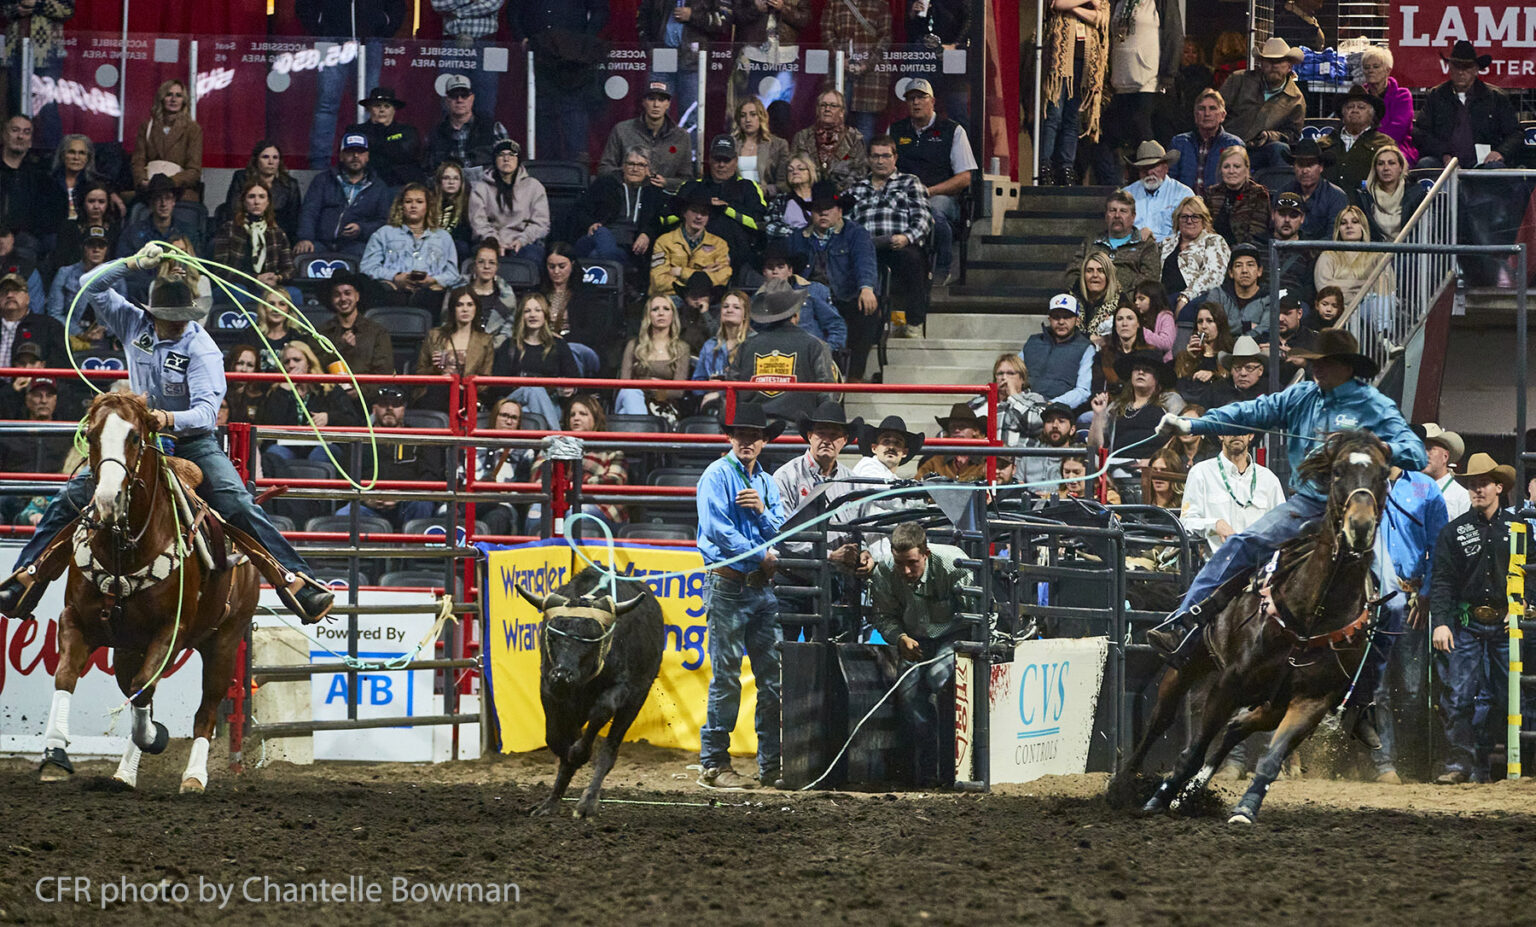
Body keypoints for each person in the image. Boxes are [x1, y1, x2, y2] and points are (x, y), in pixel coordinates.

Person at [0, 245, 335, 624]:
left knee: (237, 503)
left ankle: (295, 581)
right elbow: (88, 284)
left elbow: (208, 414)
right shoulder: (132, 322)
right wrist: (132, 263)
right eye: (168, 317)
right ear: (152, 314)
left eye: (181, 318)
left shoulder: (201, 348)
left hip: (192, 442)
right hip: (138, 441)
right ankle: (25, 577)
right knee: (71, 496)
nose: (176, 324)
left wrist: (166, 418)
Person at [1150, 329, 1427, 666]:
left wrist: (1385, 448)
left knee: (1394, 603)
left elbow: (1416, 453)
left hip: (1355, 512)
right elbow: (1248, 413)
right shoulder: (1301, 397)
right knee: (1243, 543)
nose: (1316, 369)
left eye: (1323, 364)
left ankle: (1367, 692)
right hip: (1308, 503)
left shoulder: (1375, 405)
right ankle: (1183, 623)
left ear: (1346, 367)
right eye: (1314, 363)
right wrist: (1193, 426)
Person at [694, 402, 788, 791]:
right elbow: (717, 531)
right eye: (741, 435)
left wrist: (763, 515)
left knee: (772, 680)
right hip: (730, 585)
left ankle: (772, 766)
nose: (747, 441)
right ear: (731, 438)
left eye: (754, 435)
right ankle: (714, 764)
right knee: (728, 678)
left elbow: (783, 528)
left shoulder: (766, 484)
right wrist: (763, 555)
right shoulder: (716, 475)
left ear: (764, 441)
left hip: (759, 589)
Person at [1429, 453, 1519, 783]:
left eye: (1483, 483)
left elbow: (1531, 575)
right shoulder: (1453, 532)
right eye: (1472, 484)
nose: (1477, 489)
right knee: (1457, 695)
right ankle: (1460, 764)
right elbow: (1442, 580)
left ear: (1499, 486)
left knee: (1504, 695)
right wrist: (1440, 621)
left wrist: (1520, 607)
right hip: (1465, 623)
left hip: (1506, 622)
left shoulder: (1518, 530)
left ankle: (1485, 761)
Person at [867, 521, 972, 786]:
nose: (906, 570)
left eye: (912, 563)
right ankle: (927, 771)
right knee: (909, 696)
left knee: (941, 681)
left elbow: (979, 610)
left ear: (925, 553)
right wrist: (900, 638)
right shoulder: (884, 573)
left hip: (954, 635)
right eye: (900, 562)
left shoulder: (953, 564)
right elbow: (883, 616)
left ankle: (951, 768)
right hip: (915, 638)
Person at [1364, 464, 1447, 784]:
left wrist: (1426, 594)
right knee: (1379, 687)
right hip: (1374, 599)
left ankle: (1410, 759)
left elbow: (1440, 546)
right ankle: (1384, 762)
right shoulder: (1366, 485)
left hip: (1413, 599)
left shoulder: (1425, 488)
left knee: (1413, 689)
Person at [783, 180, 879, 380]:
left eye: (828, 208)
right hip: (809, 298)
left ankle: (854, 375)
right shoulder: (797, 237)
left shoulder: (856, 233)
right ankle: (806, 373)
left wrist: (866, 287)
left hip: (844, 296)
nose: (823, 213)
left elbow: (865, 261)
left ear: (839, 210)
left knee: (867, 312)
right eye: (818, 209)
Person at [889, 78, 978, 287]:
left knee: (932, 214)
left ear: (933, 101)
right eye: (911, 98)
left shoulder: (952, 130)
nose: (916, 102)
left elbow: (965, 177)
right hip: (902, 196)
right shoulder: (895, 130)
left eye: (921, 97)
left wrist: (929, 191)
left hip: (939, 195)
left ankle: (943, 268)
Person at [297, 0, 397, 170]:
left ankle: (369, 161)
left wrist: (383, 25)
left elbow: (397, 6)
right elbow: (303, 5)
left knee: (370, 105)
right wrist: (321, 25)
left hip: (369, 41)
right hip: (331, 41)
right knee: (326, 103)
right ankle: (319, 164)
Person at [849, 134, 934, 334]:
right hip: (867, 247)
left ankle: (913, 323)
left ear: (895, 158)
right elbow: (846, 223)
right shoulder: (857, 188)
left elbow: (924, 219)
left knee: (913, 259)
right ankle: (870, 326)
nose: (880, 161)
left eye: (886, 156)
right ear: (868, 159)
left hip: (900, 244)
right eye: (876, 156)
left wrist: (907, 237)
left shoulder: (910, 182)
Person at [1094, 0, 1182, 187]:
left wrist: (1168, 75)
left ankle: (1153, 187)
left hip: (1149, 82)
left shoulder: (1161, 3)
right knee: (1103, 137)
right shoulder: (1117, 2)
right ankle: (1115, 186)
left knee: (1145, 139)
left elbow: (1173, 35)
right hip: (1120, 81)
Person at [508, 0, 606, 162]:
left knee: (573, 113)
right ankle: (545, 168)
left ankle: (576, 168)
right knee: (542, 111)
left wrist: (584, 41)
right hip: (539, 55)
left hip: (573, 59)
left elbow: (600, 10)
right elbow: (513, 10)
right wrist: (522, 38)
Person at [1087, 349, 1182, 499]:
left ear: (1157, 378)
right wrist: (1098, 414)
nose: (1140, 373)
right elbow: (1094, 447)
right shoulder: (1115, 407)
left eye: (1147, 370)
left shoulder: (1170, 401)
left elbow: (1180, 436)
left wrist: (1153, 461)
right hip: (1116, 470)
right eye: (1137, 369)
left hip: (1155, 470)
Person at [341, 385, 441, 528]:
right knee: (345, 514)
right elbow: (346, 475)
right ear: (374, 409)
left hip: (407, 502)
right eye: (383, 404)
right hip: (368, 504)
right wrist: (365, 498)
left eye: (395, 404)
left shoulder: (420, 438)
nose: (389, 408)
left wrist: (403, 495)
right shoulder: (359, 439)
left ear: (403, 409)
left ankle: (415, 549)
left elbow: (430, 476)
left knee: (422, 504)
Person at [1413, 41, 1520, 170]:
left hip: (1483, 162)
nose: (1461, 72)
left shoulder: (1496, 97)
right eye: (1456, 67)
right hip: (1443, 163)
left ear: (1476, 70)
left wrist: (1500, 152)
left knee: (1495, 168)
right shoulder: (1436, 96)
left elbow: (1515, 133)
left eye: (1467, 67)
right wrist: (1443, 154)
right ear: (1450, 68)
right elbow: (1420, 132)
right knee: (1426, 165)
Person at [666, 135, 769, 268]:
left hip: (735, 259)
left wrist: (727, 209)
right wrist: (697, 205)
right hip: (690, 257)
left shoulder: (748, 187)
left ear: (736, 161)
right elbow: (665, 218)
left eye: (726, 160)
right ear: (709, 159)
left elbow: (760, 223)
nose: (721, 165)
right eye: (717, 159)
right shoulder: (690, 186)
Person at [727, 282, 838, 402]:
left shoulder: (746, 345)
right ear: (796, 313)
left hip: (750, 419)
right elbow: (827, 395)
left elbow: (731, 388)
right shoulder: (816, 345)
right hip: (799, 419)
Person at [1038, 0, 1109, 187]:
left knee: (1073, 119)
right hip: (1060, 61)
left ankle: (1066, 167)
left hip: (1085, 65)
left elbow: (1101, 18)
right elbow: (1057, 4)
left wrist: (1074, 9)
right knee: (1053, 114)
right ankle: (1045, 164)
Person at [528, 396, 629, 528]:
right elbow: (537, 479)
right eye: (572, 415)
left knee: (575, 514)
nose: (576, 418)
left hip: (600, 506)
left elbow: (615, 481)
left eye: (583, 414)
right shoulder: (554, 446)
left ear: (595, 419)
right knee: (536, 513)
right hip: (557, 501)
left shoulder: (612, 451)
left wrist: (572, 484)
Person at [360, 182, 463, 310]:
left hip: (431, 296)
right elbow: (367, 268)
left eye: (419, 202)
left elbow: (453, 274)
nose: (413, 206)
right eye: (408, 201)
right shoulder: (384, 233)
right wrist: (395, 277)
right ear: (401, 206)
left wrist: (433, 280)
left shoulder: (443, 237)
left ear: (428, 206)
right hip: (393, 294)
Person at [1180, 429, 1285, 553]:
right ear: (1220, 434)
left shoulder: (1269, 479)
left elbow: (1281, 524)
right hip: (1217, 564)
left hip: (1259, 563)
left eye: (1242, 429)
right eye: (1231, 428)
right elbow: (1186, 522)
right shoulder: (1201, 472)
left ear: (1250, 435)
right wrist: (1214, 525)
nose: (1237, 433)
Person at [294, 133, 392, 261]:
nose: (355, 156)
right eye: (350, 152)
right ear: (341, 156)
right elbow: (309, 211)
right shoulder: (323, 180)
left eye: (360, 152)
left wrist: (361, 229)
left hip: (356, 245)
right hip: (320, 243)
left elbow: (384, 222)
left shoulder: (379, 187)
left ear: (367, 156)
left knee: (370, 257)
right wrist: (305, 238)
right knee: (301, 254)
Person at [491, 292, 577, 426]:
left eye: (538, 310)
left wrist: (567, 389)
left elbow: (575, 380)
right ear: (521, 316)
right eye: (527, 311)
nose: (532, 315)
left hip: (550, 403)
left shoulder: (558, 345)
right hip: (514, 402)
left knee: (529, 414)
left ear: (545, 315)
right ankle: (557, 438)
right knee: (533, 388)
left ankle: (542, 444)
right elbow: (497, 385)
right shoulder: (509, 345)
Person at [257, 340, 349, 464]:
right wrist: (283, 392)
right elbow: (267, 425)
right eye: (286, 361)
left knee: (321, 455)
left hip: (322, 444)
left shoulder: (328, 388)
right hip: (287, 446)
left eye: (297, 360)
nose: (292, 365)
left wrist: (329, 418)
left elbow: (352, 419)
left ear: (309, 364)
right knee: (274, 453)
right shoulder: (276, 392)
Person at [1219, 37, 1305, 169]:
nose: (1274, 65)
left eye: (1279, 61)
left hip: (1259, 152)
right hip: (1226, 147)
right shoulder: (1238, 80)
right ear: (1261, 64)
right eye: (1269, 61)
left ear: (1289, 66)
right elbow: (1217, 112)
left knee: (1280, 150)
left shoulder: (1296, 99)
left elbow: (1292, 136)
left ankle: (1278, 188)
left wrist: (1270, 136)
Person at [571, 145, 666, 265]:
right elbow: (579, 209)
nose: (635, 169)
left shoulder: (653, 192)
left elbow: (656, 221)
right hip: (596, 237)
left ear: (649, 170)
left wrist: (646, 234)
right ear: (623, 166)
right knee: (602, 233)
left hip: (629, 248)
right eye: (631, 164)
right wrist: (590, 223)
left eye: (641, 165)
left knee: (595, 256)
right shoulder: (605, 184)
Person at [597, 81, 695, 192]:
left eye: (661, 100)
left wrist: (667, 182)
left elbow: (687, 180)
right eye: (651, 99)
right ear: (643, 102)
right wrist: (628, 174)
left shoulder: (681, 136)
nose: (656, 105)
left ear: (668, 104)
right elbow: (604, 169)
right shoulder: (622, 130)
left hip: (662, 199)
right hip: (624, 195)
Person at [818, 0, 892, 143]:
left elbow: (886, 37)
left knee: (865, 128)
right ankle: (831, 163)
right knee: (832, 124)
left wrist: (868, 63)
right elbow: (826, 32)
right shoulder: (834, 3)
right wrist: (840, 59)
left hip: (871, 76)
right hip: (838, 73)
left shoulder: (881, 3)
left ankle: (861, 165)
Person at [468, 138, 550, 266]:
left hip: (524, 242)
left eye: (511, 155)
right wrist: (494, 241)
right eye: (501, 155)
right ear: (494, 160)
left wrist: (522, 240)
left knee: (533, 255)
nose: (506, 159)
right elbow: (478, 223)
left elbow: (541, 223)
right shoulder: (481, 187)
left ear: (518, 160)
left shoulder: (534, 186)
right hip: (490, 242)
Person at [212, 180, 298, 299]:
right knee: (239, 291)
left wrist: (277, 278)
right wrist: (254, 279)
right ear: (243, 201)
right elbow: (220, 269)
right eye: (251, 197)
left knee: (294, 293)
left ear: (268, 202)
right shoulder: (229, 229)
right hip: (238, 286)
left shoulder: (277, 232)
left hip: (267, 287)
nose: (256, 202)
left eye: (262, 197)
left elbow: (290, 269)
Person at [539, 243, 615, 375]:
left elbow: (594, 333)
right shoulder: (538, 293)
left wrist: (560, 341)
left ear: (572, 265)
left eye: (562, 266)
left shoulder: (588, 293)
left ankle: (572, 393)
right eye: (551, 267)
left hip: (581, 347)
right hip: (543, 346)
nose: (556, 271)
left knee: (570, 351)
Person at [1066, 192, 1159, 294]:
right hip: (1090, 300)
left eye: (1123, 211)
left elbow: (1149, 280)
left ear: (1133, 217)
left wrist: (1122, 301)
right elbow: (1073, 273)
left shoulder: (1145, 244)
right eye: (1112, 210)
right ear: (1106, 215)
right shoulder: (1091, 241)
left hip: (1128, 304)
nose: (1117, 215)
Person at [760, 242, 846, 351]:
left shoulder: (812, 291)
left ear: (790, 271)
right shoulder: (757, 299)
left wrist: (827, 351)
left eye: (780, 266)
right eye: (770, 267)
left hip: (809, 354)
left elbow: (835, 325)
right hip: (774, 358)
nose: (775, 271)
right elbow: (754, 331)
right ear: (764, 272)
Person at [649, 186, 731, 298]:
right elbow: (658, 281)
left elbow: (723, 277)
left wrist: (680, 272)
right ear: (684, 212)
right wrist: (699, 278)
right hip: (669, 298)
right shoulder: (664, 241)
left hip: (702, 298)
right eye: (694, 210)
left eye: (704, 213)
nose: (699, 217)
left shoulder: (719, 244)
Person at [414, 287, 494, 403]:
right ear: (453, 309)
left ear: (476, 308)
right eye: (459, 305)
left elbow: (485, 380)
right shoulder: (435, 335)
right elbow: (419, 373)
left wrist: (464, 388)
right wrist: (435, 369)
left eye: (470, 305)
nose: (465, 309)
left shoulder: (485, 340)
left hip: (467, 396)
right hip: (436, 393)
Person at [431, 0, 506, 124]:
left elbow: (493, 4)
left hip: (487, 45)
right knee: (449, 97)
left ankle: (483, 139)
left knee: (486, 100)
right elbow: (438, 4)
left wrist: (458, 12)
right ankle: (449, 139)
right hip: (452, 45)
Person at [618, 295, 691, 420]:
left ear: (673, 315)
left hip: (664, 405)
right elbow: (624, 385)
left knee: (626, 413)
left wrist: (650, 389)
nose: (661, 313)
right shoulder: (634, 345)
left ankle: (641, 432)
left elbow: (678, 392)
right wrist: (660, 386)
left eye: (666, 309)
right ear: (648, 315)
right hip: (633, 398)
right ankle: (643, 431)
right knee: (630, 394)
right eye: (655, 309)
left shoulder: (681, 348)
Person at [130, 79, 202, 200]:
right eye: (169, 94)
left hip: (178, 189)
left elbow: (194, 170)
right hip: (149, 187)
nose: (173, 99)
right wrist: (142, 180)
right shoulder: (147, 126)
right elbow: (138, 161)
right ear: (161, 98)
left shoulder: (193, 129)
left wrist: (170, 182)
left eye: (178, 95)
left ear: (184, 101)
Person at [1021, 293, 1094, 411]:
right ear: (1049, 319)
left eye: (1067, 317)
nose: (1061, 322)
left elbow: (1083, 391)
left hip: (1058, 411)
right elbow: (1013, 372)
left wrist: (1052, 404)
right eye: (1056, 317)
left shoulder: (1086, 348)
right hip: (1024, 404)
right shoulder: (1033, 342)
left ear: (1077, 320)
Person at [1159, 196, 1230, 318]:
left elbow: (1213, 276)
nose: (1189, 221)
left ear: (1204, 220)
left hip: (1195, 300)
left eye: (1195, 217)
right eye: (1184, 217)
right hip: (1163, 300)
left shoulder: (1214, 241)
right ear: (1177, 219)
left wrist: (1186, 297)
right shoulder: (1167, 243)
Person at [313, 270, 394, 376]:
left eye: (347, 293)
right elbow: (315, 367)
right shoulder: (320, 334)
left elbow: (384, 371)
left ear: (357, 296)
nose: (343, 298)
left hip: (366, 391)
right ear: (332, 299)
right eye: (337, 294)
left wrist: (358, 391)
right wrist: (340, 347)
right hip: (332, 390)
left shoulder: (377, 332)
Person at [47, 224, 120, 337]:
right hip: (71, 336)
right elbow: (54, 313)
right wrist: (79, 333)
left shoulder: (117, 278)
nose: (96, 250)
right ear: (82, 247)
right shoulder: (65, 274)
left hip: (104, 338)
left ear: (107, 249)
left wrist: (104, 330)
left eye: (101, 246)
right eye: (91, 245)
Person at [789, 88, 869, 192]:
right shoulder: (802, 137)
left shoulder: (855, 139)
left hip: (842, 197)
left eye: (833, 106)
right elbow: (792, 171)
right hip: (807, 197)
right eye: (823, 105)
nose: (827, 109)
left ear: (842, 112)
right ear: (817, 110)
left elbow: (860, 173)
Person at [1319, 85, 1393, 195]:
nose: (1354, 110)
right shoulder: (1323, 143)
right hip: (1327, 204)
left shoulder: (1384, 144)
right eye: (1349, 107)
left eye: (1361, 107)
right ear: (1343, 113)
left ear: (1372, 114)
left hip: (1367, 205)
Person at [423, 74, 505, 175]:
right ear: (446, 100)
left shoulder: (493, 128)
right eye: (454, 95)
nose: (459, 100)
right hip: (449, 187)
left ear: (472, 98)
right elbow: (428, 172)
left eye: (464, 95)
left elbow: (507, 163)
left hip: (486, 187)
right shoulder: (435, 134)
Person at [0, 114, 64, 241]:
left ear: (30, 141)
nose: (20, 136)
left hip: (26, 241)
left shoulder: (40, 175)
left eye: (26, 132)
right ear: (4, 135)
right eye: (15, 130)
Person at [1169, 89, 1243, 197]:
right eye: (1202, 109)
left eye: (1212, 108)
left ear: (1222, 115)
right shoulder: (1179, 143)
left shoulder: (1233, 145)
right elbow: (1169, 182)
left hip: (1220, 208)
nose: (1207, 114)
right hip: (1184, 207)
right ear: (1195, 115)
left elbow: (1241, 184)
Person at [345, 86, 423, 188]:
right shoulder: (356, 131)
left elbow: (405, 154)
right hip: (366, 186)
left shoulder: (407, 131)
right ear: (369, 108)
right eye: (377, 106)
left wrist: (374, 146)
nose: (382, 110)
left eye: (387, 106)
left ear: (394, 110)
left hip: (400, 186)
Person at [692, 288, 754, 411]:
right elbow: (696, 384)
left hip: (745, 406)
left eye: (736, 307)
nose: (729, 310)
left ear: (745, 314)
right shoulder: (710, 345)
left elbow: (754, 384)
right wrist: (707, 386)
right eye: (725, 306)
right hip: (713, 407)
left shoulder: (754, 343)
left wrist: (721, 393)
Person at [1191, 243, 1266, 343]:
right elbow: (1210, 325)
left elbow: (1266, 329)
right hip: (1220, 350)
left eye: (1250, 265)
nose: (1244, 270)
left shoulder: (1269, 298)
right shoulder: (1218, 294)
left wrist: (1236, 340)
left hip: (1256, 351)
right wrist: (1246, 326)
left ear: (1259, 271)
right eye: (1238, 265)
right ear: (1231, 272)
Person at [1278, 138, 1347, 242]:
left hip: (1325, 253)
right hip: (1289, 252)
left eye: (1310, 165)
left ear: (1321, 167)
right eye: (1300, 164)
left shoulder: (1337, 196)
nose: (1305, 170)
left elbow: (1333, 235)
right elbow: (1276, 230)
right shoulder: (1283, 193)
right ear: (1294, 167)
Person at [970, 352, 1046, 446]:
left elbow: (1036, 425)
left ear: (1022, 379)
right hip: (984, 457)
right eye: (1000, 373)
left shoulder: (1034, 399)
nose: (1004, 378)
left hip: (1018, 458)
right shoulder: (979, 401)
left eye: (1010, 373)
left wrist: (1013, 396)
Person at [1357, 47, 1418, 164]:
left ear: (1387, 70)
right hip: (1361, 146)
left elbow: (1397, 130)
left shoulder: (1402, 96)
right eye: (1366, 67)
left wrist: (1368, 141)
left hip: (1395, 147)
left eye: (1376, 67)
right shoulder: (1359, 95)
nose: (1370, 70)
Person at [1122, 141, 1192, 242]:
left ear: (1166, 168)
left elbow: (1191, 232)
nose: (1149, 172)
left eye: (1154, 166)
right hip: (1134, 250)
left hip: (1172, 251)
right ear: (1138, 170)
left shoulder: (1183, 194)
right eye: (1144, 168)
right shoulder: (1126, 195)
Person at [50, 180, 119, 280]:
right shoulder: (69, 227)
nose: (96, 206)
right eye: (91, 201)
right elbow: (61, 261)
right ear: (83, 202)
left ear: (108, 204)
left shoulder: (114, 229)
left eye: (101, 202)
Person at [51, 133, 124, 227]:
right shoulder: (49, 182)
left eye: (82, 153)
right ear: (62, 155)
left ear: (88, 158)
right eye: (71, 152)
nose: (76, 158)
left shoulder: (98, 183)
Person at [1354, 144, 1423, 243]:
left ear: (1401, 167)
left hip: (1408, 254)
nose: (1386, 168)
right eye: (1381, 164)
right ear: (1375, 168)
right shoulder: (1365, 197)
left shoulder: (1416, 194)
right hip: (1375, 253)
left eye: (1391, 163)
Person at [1203, 147, 1269, 248]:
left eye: (1237, 166)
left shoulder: (1258, 194)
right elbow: (1205, 228)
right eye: (1226, 167)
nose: (1231, 171)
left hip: (1245, 252)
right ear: (1221, 170)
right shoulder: (1212, 193)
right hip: (1214, 250)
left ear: (1246, 169)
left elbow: (1256, 235)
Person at [1314, 206, 1378, 307]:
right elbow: (1324, 291)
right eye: (1343, 223)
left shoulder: (1377, 257)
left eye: (1355, 221)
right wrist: (1365, 284)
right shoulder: (1327, 255)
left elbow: (1386, 291)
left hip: (1369, 309)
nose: (1349, 226)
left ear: (1363, 226)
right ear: (1338, 229)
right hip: (1337, 309)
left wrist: (1337, 285)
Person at [0, 271, 65, 369]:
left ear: (28, 298)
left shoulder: (49, 326)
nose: (9, 295)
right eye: (4, 291)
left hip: (34, 383)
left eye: (16, 290)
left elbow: (61, 366)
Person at [459, 239, 518, 349]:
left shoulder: (507, 297)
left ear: (497, 266)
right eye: (481, 262)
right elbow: (447, 324)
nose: (486, 266)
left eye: (491, 263)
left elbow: (508, 332)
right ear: (474, 265)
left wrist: (486, 348)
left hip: (495, 352)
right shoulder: (458, 290)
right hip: (460, 348)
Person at [1173, 302, 1234, 406]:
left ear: (1219, 324)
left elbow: (1232, 382)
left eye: (1209, 321)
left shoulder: (1229, 355)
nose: (1204, 326)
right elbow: (1180, 384)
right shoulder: (1185, 356)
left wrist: (1214, 376)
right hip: (1188, 404)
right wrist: (1189, 358)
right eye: (1200, 322)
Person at [916, 403, 988, 482]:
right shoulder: (936, 459)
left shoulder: (985, 459)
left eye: (962, 426)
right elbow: (918, 482)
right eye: (953, 427)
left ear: (975, 431)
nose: (957, 430)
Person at [1092, 303, 1151, 398]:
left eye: (1130, 318)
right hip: (1111, 404)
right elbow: (1097, 388)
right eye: (1119, 319)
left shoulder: (1150, 353)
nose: (1124, 324)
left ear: (1138, 323)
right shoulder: (1104, 354)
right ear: (1115, 325)